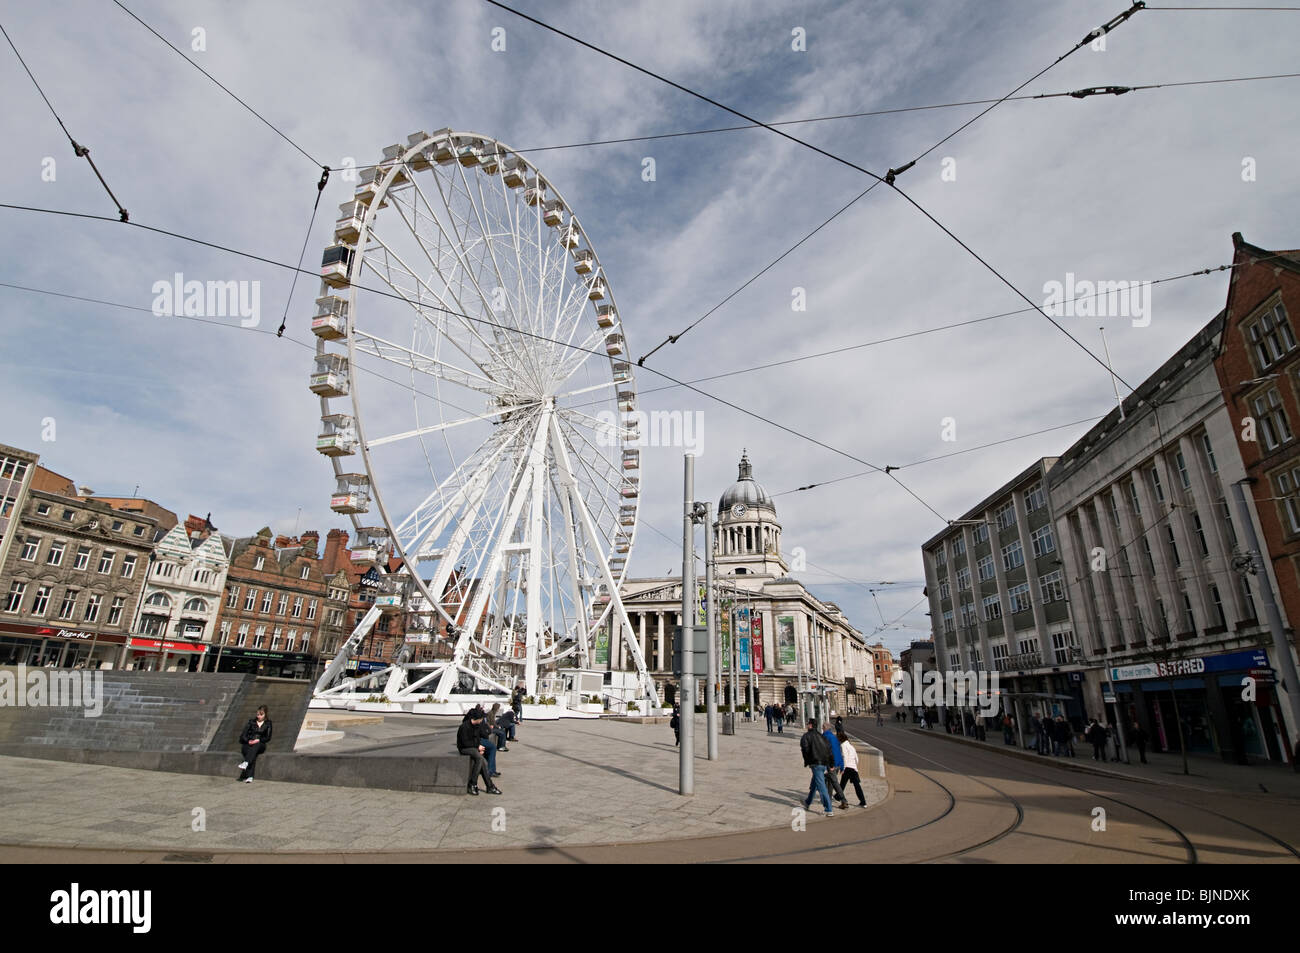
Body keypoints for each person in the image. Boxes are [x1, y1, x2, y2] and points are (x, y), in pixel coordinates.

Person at [456, 711, 501, 795]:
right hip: (464, 748)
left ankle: (489, 786)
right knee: (480, 758)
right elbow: (465, 743)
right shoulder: (464, 727)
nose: (481, 721)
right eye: (481, 719)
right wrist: (477, 747)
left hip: (473, 747)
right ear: (477, 719)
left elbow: (479, 738)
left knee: (483, 762)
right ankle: (473, 784)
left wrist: (478, 746)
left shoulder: (476, 726)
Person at [800, 719, 834, 817]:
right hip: (824, 763)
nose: (807, 725)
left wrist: (807, 761)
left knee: (821, 786)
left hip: (815, 763)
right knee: (814, 784)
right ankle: (807, 802)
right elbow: (829, 751)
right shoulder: (822, 737)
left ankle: (828, 809)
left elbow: (805, 750)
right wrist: (831, 765)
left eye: (807, 724)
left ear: (810, 725)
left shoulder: (806, 736)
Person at [237, 705, 273, 782]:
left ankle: (246, 763)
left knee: (255, 746)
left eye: (261, 714)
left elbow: (268, 737)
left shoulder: (268, 723)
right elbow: (243, 735)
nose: (259, 716)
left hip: (260, 744)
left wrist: (259, 740)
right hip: (249, 743)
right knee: (252, 753)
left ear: (265, 714)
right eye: (258, 714)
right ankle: (250, 777)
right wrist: (248, 741)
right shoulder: (251, 722)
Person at [821, 722, 851, 810]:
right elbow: (839, 752)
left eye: (822, 727)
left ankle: (844, 800)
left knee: (834, 782)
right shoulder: (834, 737)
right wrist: (841, 765)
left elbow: (826, 752)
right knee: (830, 782)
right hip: (837, 764)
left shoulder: (825, 737)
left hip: (832, 764)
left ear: (824, 728)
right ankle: (829, 800)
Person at [837, 728, 867, 807]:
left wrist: (843, 768)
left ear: (840, 739)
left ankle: (838, 797)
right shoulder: (851, 746)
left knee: (842, 784)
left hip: (847, 768)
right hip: (853, 768)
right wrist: (855, 766)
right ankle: (863, 802)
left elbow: (845, 757)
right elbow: (856, 758)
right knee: (857, 786)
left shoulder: (843, 746)